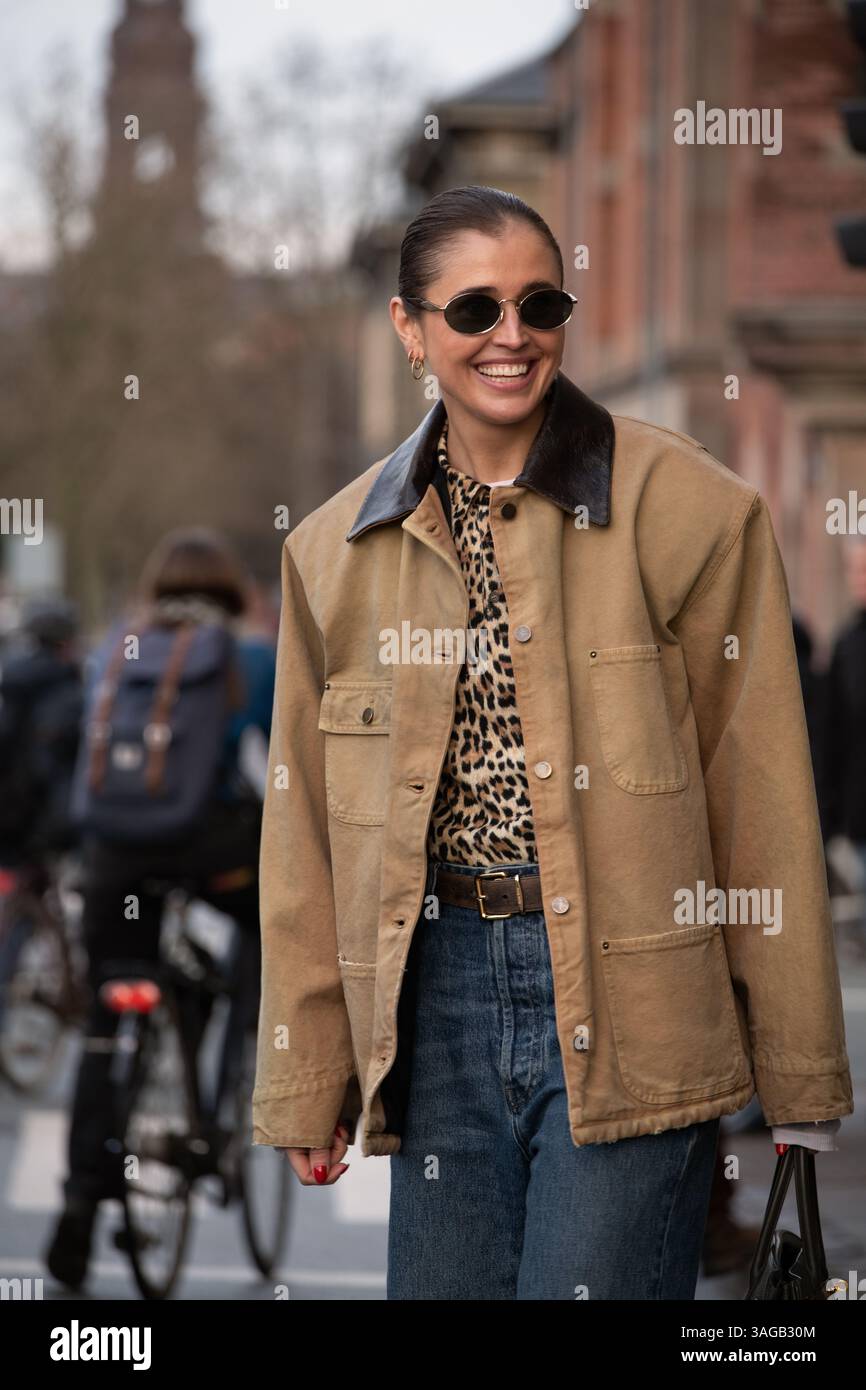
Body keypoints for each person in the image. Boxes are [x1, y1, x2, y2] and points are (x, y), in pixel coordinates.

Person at [253, 186, 852, 1300]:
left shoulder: (692, 509)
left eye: (540, 302)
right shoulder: (333, 552)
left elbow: (761, 801)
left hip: (639, 1001)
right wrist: (308, 1072)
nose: (512, 334)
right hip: (433, 1010)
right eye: (473, 308)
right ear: (409, 327)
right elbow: (304, 843)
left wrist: (800, 1080)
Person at [44, 528, 276, 1291]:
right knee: (269, 923)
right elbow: (281, 766)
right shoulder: (249, 659)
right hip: (211, 856)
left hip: (114, 856)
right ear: (232, 592)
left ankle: (79, 1207)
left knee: (105, 1018)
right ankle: (231, 1072)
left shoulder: (118, 649)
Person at [0, 596, 83, 864]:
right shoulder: (73, 692)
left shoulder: (11, 685)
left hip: (11, 819)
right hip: (58, 821)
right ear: (66, 642)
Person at [823, 536, 866, 944]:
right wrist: (832, 815)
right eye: (854, 570)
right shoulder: (847, 645)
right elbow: (833, 735)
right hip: (858, 815)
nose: (859, 579)